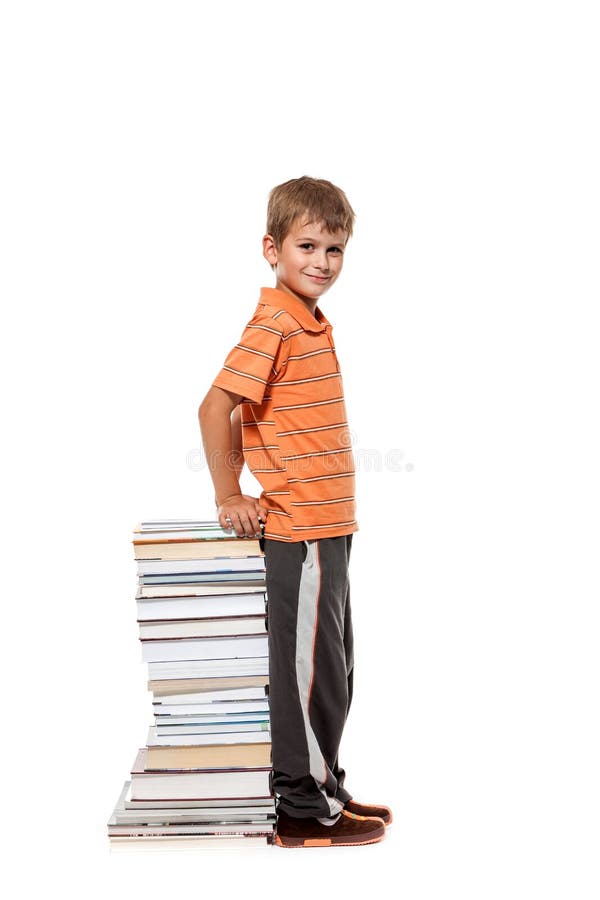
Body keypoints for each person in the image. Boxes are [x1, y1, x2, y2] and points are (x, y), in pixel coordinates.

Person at [198, 176, 392, 848]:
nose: (321, 261)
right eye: (307, 245)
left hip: (330, 528)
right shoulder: (275, 320)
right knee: (308, 675)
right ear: (271, 248)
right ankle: (302, 808)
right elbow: (214, 406)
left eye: (334, 249)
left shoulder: (309, 320)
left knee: (333, 668)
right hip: (298, 530)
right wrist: (229, 495)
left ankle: (327, 788)